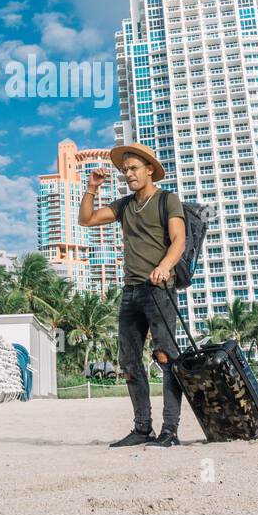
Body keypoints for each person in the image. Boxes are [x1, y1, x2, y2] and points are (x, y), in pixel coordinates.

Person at [79, 143, 186, 448]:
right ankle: (142, 428)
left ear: (149, 169)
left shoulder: (167, 200)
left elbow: (178, 241)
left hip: (159, 290)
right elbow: (86, 220)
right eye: (125, 170)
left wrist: (165, 267)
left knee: (167, 357)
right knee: (129, 361)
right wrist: (91, 188)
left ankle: (170, 431)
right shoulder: (124, 205)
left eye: (134, 168)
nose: (128, 174)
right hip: (131, 292)